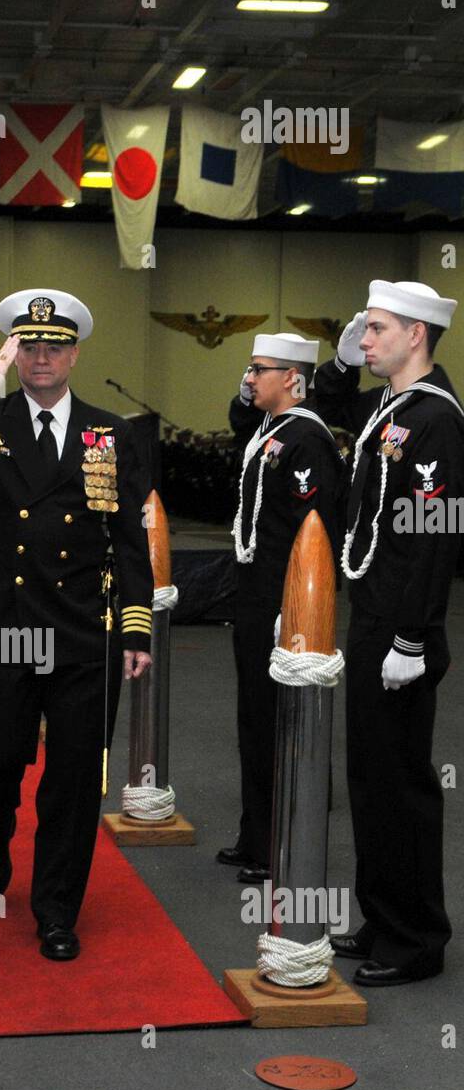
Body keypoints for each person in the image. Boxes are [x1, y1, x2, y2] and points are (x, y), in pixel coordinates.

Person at [0, 289, 154, 960]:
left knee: (74, 777)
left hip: (83, 630)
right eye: (29, 348)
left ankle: (56, 909)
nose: (42, 358)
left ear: (74, 353)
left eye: (54, 346)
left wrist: (135, 628)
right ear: (14, 355)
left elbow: (129, 533)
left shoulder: (111, 433)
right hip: (8, 626)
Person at [313, 280, 463, 986]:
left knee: (402, 782)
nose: (365, 339)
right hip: (374, 615)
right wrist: (342, 364)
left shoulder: (436, 419)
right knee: (370, 776)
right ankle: (382, 916)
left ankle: (416, 939)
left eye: (374, 330)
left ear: (416, 336)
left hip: (405, 623)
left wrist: (413, 636)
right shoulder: (394, 406)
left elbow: (434, 536)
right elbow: (332, 406)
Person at [219, 332, 344, 883]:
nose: (248, 379)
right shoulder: (271, 429)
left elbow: (313, 535)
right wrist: (249, 389)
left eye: (259, 370)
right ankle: (256, 837)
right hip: (254, 595)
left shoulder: (307, 441)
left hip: (281, 604)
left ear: (293, 379)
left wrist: (290, 611)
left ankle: (280, 847)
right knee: (255, 721)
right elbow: (239, 416)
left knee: (279, 726)